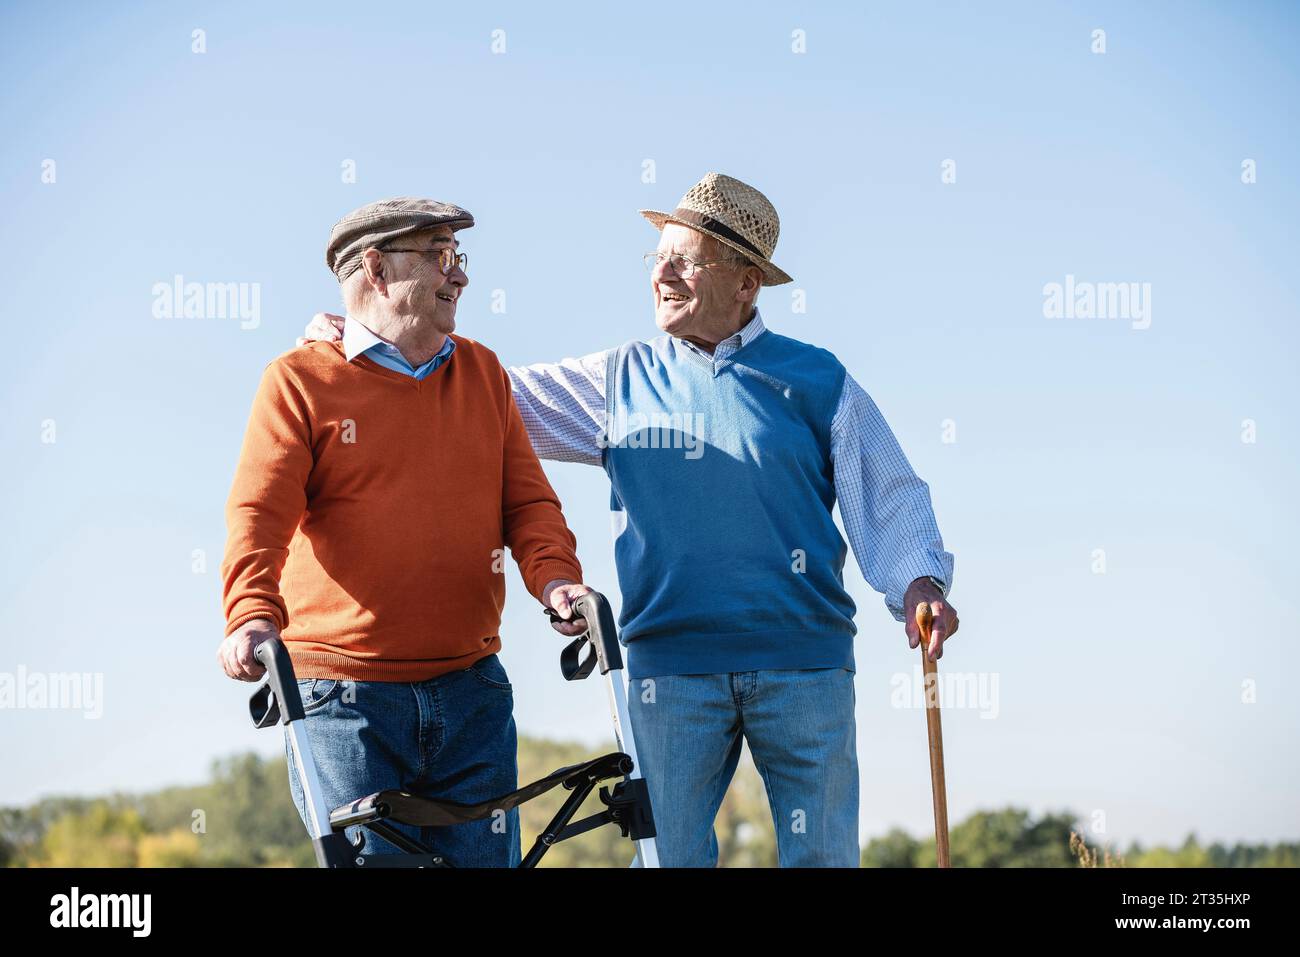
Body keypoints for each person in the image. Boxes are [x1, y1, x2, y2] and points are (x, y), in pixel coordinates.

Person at [301, 174, 960, 867]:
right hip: (667, 672)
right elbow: (482, 394)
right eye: (658, 259)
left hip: (803, 668)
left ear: (746, 282)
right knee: (666, 858)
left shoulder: (817, 379)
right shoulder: (619, 378)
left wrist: (919, 582)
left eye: (687, 259)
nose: (663, 274)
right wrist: (366, 338)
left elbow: (889, 493)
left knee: (822, 857)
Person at [219, 197, 590, 866]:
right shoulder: (298, 382)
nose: (461, 276)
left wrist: (559, 580)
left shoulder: (483, 375)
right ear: (376, 269)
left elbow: (529, 505)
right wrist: (249, 612)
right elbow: (259, 514)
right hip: (343, 703)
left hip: (473, 693)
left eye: (460, 257)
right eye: (441, 256)